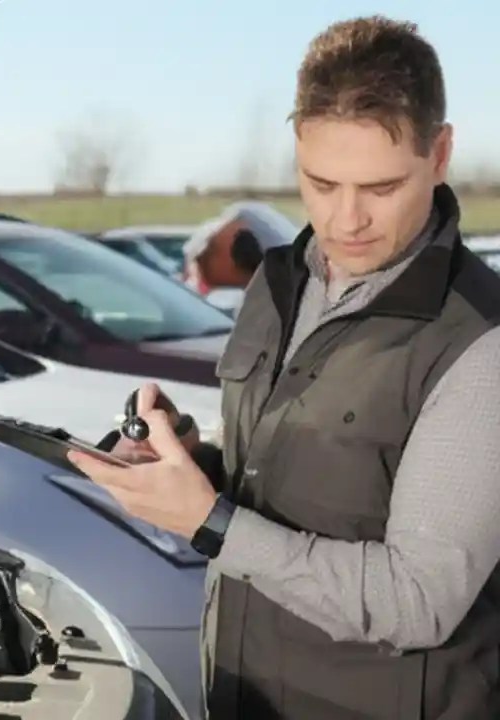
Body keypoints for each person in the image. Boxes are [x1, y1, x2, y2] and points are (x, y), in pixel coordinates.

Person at [69, 15, 500, 720]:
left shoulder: (480, 342)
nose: (346, 220)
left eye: (382, 187)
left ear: (441, 152)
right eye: (321, 183)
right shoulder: (276, 285)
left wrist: (209, 523)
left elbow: (418, 602)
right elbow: (271, 473)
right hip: (242, 694)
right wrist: (184, 458)